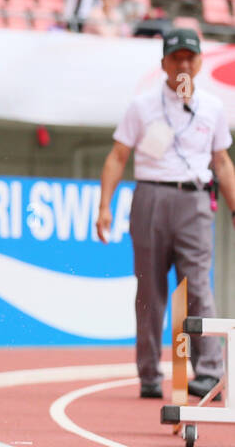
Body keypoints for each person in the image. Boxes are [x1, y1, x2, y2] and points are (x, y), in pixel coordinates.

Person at [96, 27, 233, 401]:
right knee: (150, 290)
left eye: (190, 57)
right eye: (177, 58)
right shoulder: (142, 106)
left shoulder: (214, 108)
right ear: (163, 65)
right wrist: (104, 205)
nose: (184, 64)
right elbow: (118, 156)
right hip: (151, 198)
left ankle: (208, 372)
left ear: (201, 62)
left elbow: (221, 162)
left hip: (194, 202)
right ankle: (149, 374)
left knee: (198, 288)